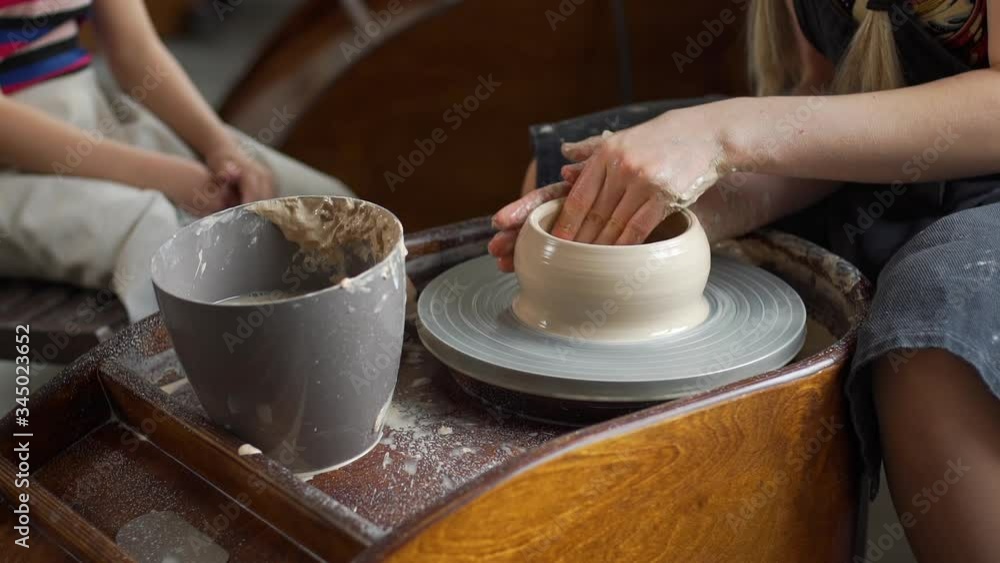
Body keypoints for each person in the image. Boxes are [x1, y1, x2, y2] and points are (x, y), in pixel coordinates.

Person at [490, 1, 999, 561]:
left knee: (933, 327)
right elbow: (833, 97)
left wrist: (724, 136)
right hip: (890, 169)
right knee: (579, 186)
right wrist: (710, 201)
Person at [0, 0, 352, 320]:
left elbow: (136, 52)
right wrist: (162, 176)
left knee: (328, 208)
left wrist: (220, 146)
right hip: (11, 166)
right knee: (162, 238)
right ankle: (205, 384)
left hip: (92, 116)